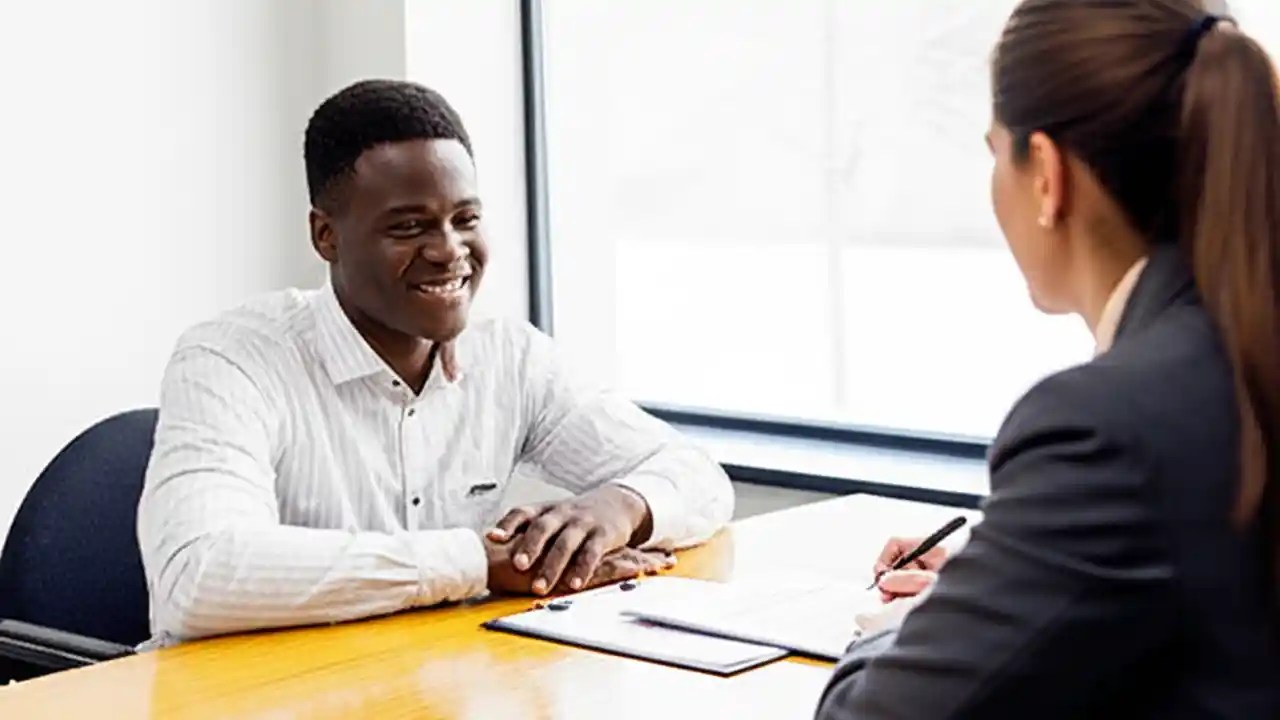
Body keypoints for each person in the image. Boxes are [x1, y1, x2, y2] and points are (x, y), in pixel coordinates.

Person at [136, 80, 733, 646]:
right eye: (409, 226)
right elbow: (199, 573)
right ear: (326, 236)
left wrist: (616, 507)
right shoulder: (231, 360)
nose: (450, 251)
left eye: (465, 219)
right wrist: (474, 562)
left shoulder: (510, 358)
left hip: (428, 681)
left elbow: (700, 478)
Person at [817, 1, 1279, 717]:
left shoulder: (1108, 424)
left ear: (1047, 177)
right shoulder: (1237, 354)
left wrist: (915, 630)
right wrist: (997, 591)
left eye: (995, 151)